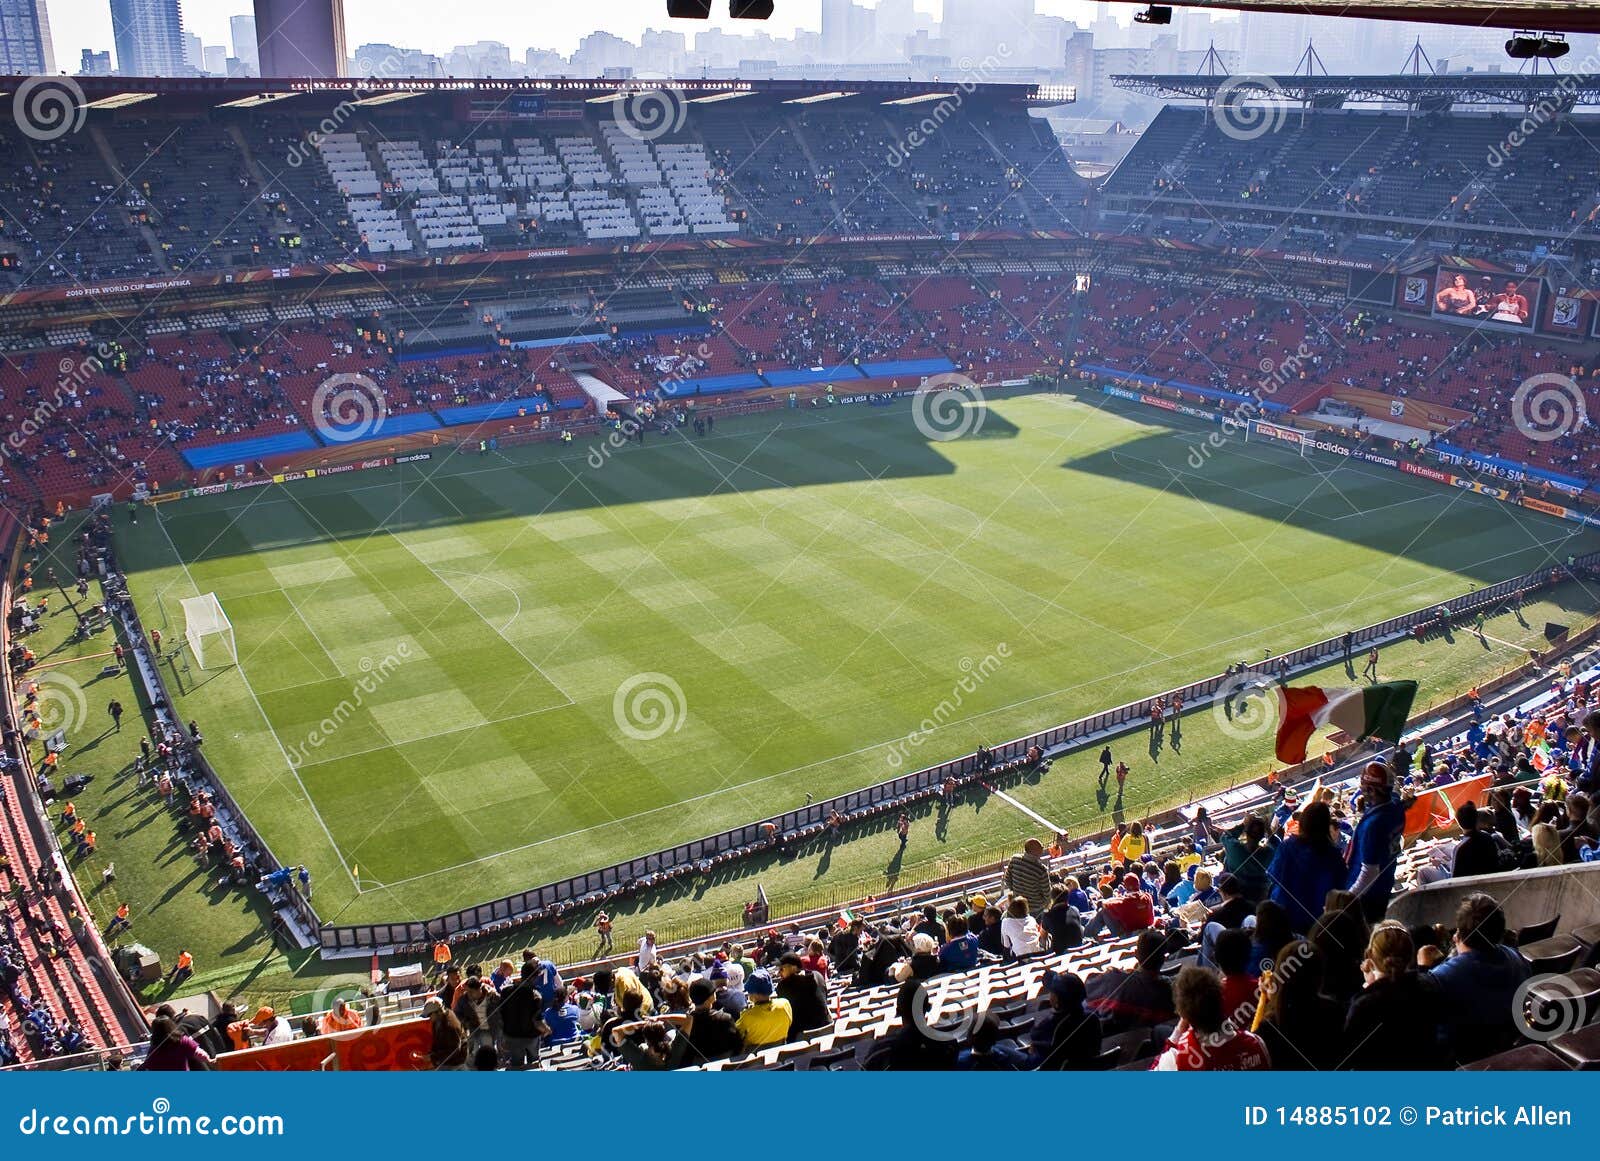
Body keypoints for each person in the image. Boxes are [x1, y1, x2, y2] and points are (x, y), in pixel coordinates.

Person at [1427, 893, 1529, 1064]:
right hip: (1504, 1055)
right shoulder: (1517, 958)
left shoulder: (1440, 977)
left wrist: (1424, 968)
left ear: (1457, 935)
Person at [1342, 922, 1446, 1070]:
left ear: (1370, 956)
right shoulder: (1429, 987)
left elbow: (1350, 1058)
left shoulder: (1363, 1006)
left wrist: (1370, 989)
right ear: (1411, 953)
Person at [1153, 967, 1270, 1071]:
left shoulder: (1176, 1060)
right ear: (1221, 999)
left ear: (1183, 1014)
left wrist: (1176, 1035)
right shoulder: (1257, 1043)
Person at [1267, 801, 1347, 933]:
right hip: (1317, 923)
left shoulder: (1288, 846)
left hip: (1285, 918)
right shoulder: (1334, 855)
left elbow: (1273, 876)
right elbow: (1340, 888)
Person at [1347, 762, 1411, 922]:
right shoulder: (1395, 806)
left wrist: (1348, 899)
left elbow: (1369, 872)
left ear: (1372, 790)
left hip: (1367, 894)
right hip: (1385, 882)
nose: (1361, 790)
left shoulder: (1373, 826)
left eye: (1364, 786)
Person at [1031, 969, 1103, 1069]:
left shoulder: (1055, 1024)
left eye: (1052, 992)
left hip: (1046, 1067)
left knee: (1002, 1051)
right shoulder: (1092, 1018)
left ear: (1056, 999)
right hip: (1084, 1068)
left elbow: (1035, 1039)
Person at [774, 952, 831, 1039]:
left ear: (794, 968)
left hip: (800, 1038)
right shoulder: (818, 975)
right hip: (827, 1030)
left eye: (782, 969)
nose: (779, 973)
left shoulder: (783, 986)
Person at [733, 972, 792, 1049]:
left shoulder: (747, 1016)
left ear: (754, 994)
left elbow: (736, 1036)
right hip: (780, 1053)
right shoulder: (784, 1003)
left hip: (755, 1058)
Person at [956, 1013, 1029, 1070]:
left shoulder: (959, 1062)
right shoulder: (1005, 1057)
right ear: (995, 1039)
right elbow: (1026, 1060)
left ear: (969, 1039)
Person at [140, 1015, 212, 1071]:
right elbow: (200, 1054)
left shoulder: (153, 1047)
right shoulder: (182, 1041)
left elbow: (149, 1066)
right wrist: (209, 1060)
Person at [1002, 838, 1052, 918]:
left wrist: (1016, 891)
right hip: (1035, 908)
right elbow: (1047, 893)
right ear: (1034, 850)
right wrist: (1043, 903)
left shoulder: (1015, 859)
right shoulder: (1041, 870)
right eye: (1041, 847)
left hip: (1018, 905)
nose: (1043, 849)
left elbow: (1007, 879)